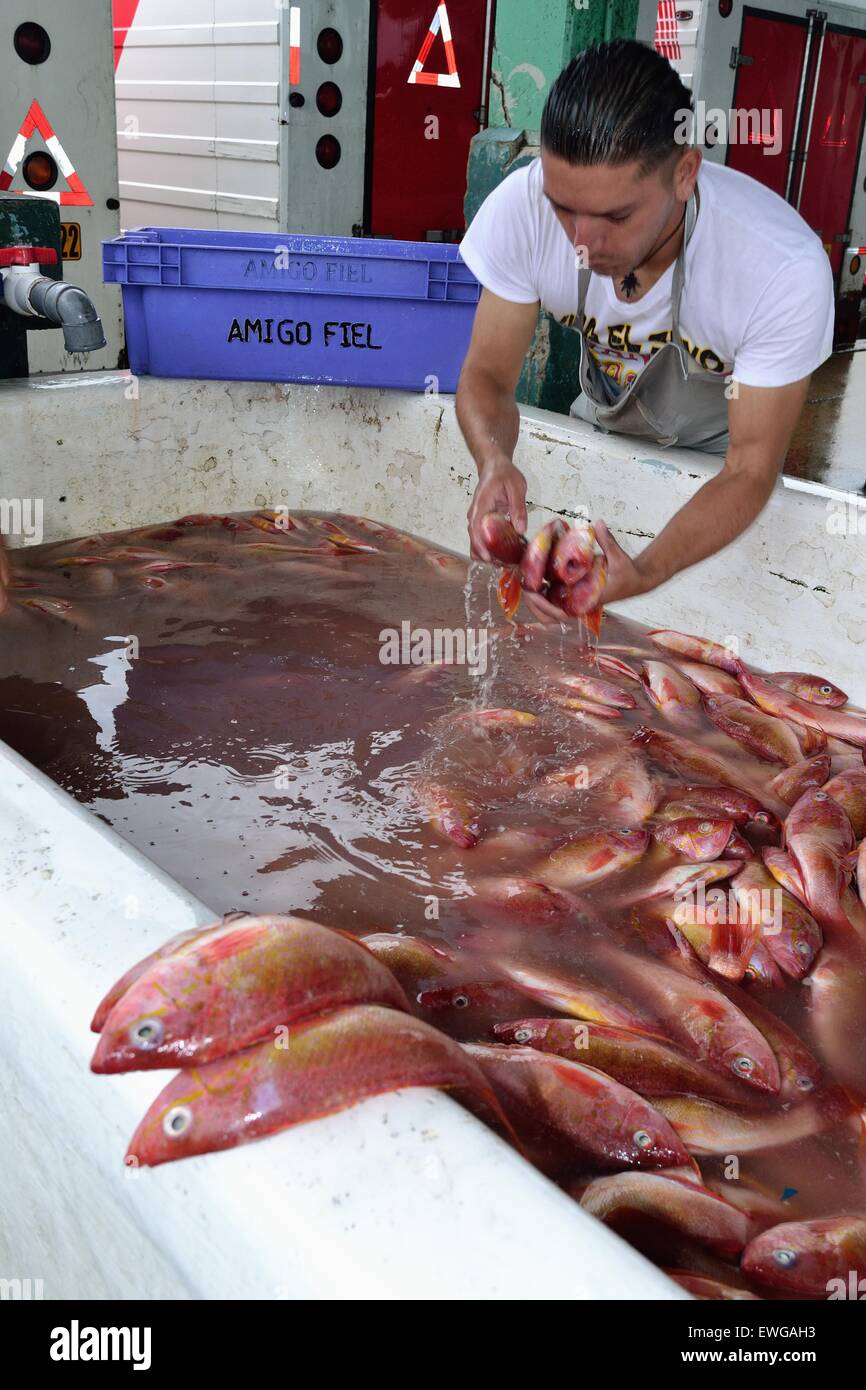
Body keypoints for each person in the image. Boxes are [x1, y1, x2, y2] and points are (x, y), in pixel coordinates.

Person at [456, 38, 835, 624]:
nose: (584, 240)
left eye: (616, 216)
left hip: (717, 478)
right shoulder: (523, 209)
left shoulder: (779, 268)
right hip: (600, 429)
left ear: (684, 174)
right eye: (565, 208)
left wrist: (650, 569)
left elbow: (750, 468)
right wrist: (492, 459)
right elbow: (487, 377)